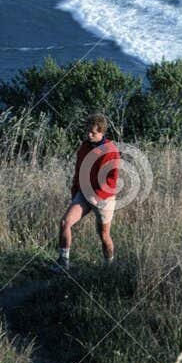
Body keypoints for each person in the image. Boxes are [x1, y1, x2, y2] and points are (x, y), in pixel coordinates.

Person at [56, 113, 120, 269]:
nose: (89, 135)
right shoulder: (84, 146)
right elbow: (79, 170)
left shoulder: (111, 151)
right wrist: (75, 189)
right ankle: (63, 264)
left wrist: (97, 195)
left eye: (93, 133)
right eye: (87, 131)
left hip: (104, 198)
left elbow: (112, 180)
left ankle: (109, 267)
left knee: (104, 236)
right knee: (65, 223)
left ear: (102, 132)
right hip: (84, 194)